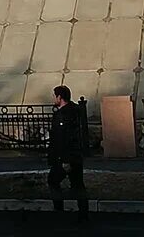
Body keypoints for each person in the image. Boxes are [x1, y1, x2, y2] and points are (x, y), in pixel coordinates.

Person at [47, 85, 88, 219]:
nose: (53, 98)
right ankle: (83, 213)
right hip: (75, 156)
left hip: (65, 157)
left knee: (53, 181)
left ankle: (59, 210)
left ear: (59, 97)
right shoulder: (75, 111)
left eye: (54, 96)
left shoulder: (63, 115)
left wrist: (65, 160)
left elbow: (64, 139)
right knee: (77, 184)